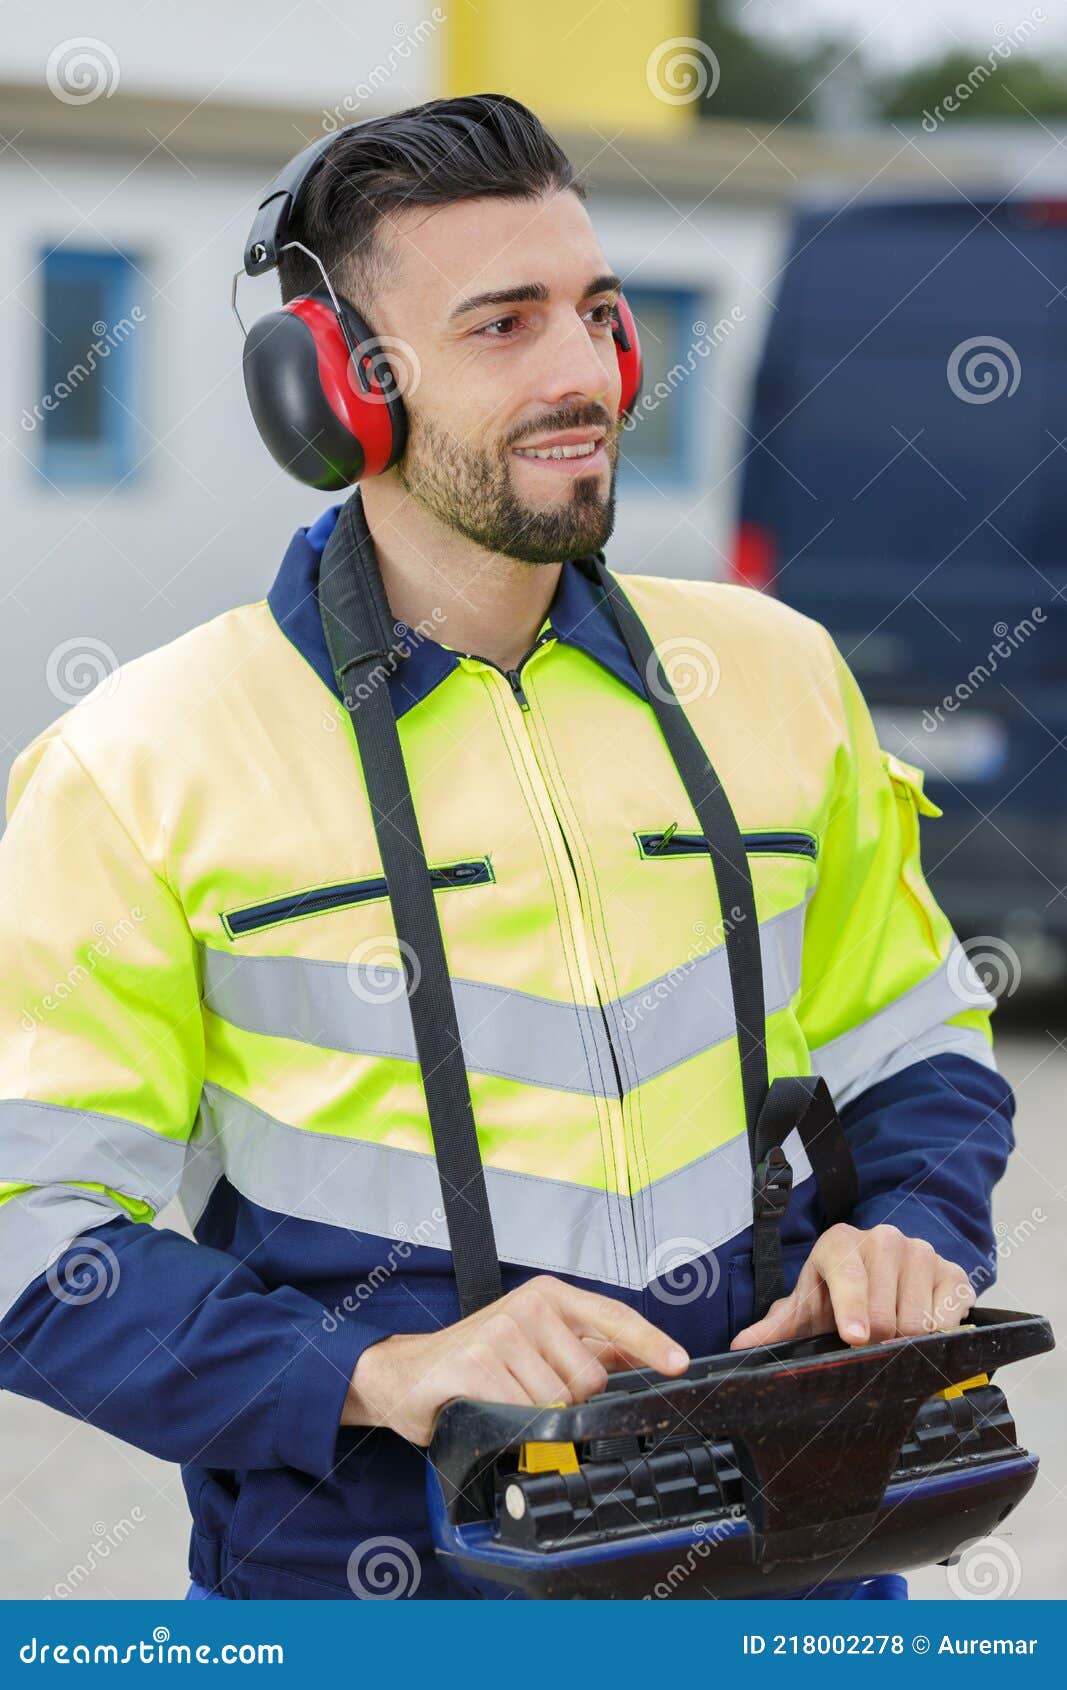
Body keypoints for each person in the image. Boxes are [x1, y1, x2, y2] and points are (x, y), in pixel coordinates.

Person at [0, 95, 1013, 1602]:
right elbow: (35, 1241)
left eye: (597, 313)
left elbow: (915, 1037)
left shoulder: (779, 674)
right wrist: (383, 1365)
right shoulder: (143, 759)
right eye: (503, 324)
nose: (582, 373)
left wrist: (906, 1228)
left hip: (792, 1566)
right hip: (379, 1590)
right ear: (337, 389)